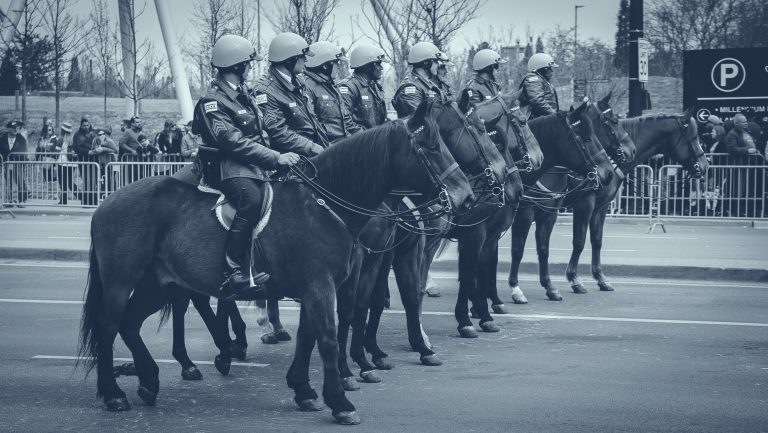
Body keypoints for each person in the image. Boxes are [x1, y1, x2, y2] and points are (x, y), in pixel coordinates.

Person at [194, 34, 300, 298]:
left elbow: (260, 135)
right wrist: (276, 157)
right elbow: (233, 142)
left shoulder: (244, 95)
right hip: (229, 168)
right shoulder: (212, 101)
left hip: (253, 165)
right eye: (248, 63)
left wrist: (281, 156)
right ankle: (232, 271)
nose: (251, 67)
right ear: (238, 65)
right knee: (251, 200)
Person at [254, 32, 328, 156]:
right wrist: (316, 149)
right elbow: (279, 134)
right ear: (290, 60)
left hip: (314, 152)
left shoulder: (298, 81)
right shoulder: (265, 91)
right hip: (296, 160)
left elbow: (313, 123)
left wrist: (327, 148)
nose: (305, 60)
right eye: (302, 56)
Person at [302, 41, 361, 143]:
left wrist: (367, 137)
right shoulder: (307, 87)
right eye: (336, 63)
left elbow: (347, 121)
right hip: (327, 152)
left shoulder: (332, 87)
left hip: (342, 147)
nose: (339, 66)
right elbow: (310, 128)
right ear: (325, 66)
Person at [337, 43, 389, 130]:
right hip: (362, 142)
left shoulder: (375, 87)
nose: (381, 68)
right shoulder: (348, 87)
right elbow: (346, 123)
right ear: (368, 66)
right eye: (378, 64)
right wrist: (368, 139)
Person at [392, 41, 447, 118]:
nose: (438, 65)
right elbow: (420, 121)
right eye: (435, 61)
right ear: (426, 63)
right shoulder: (410, 88)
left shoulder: (428, 84)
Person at [520, 52, 560, 119]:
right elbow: (537, 100)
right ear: (543, 69)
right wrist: (554, 114)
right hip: (538, 119)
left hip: (546, 117)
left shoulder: (543, 79)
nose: (551, 71)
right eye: (549, 68)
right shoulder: (533, 79)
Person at [1, 120, 29, 206]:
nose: (15, 130)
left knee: (20, 181)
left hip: (17, 163)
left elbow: (24, 151)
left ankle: (21, 200)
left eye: (16, 128)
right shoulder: (2, 138)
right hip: (6, 164)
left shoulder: (21, 139)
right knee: (8, 182)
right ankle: (9, 200)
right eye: (13, 128)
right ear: (8, 129)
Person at [49, 122, 78, 205]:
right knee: (68, 182)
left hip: (62, 163)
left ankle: (79, 196)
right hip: (72, 164)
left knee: (63, 183)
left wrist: (50, 148)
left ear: (62, 130)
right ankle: (65, 200)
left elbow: (56, 153)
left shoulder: (61, 139)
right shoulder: (72, 139)